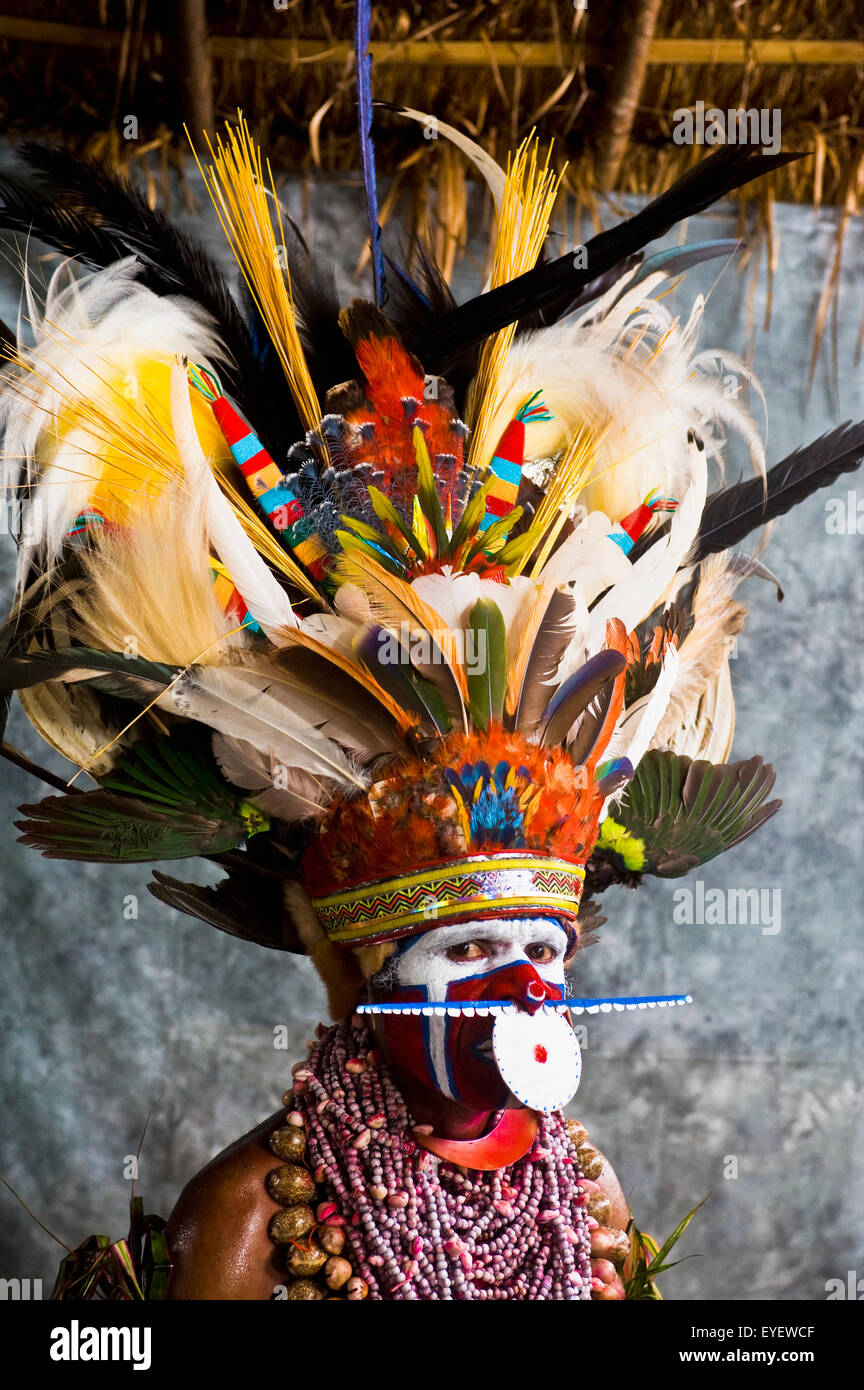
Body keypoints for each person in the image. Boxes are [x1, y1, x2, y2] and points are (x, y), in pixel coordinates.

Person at [1, 105, 859, 1302]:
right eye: (472, 946)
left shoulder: (588, 1193)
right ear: (368, 960)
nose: (524, 987)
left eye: (539, 948)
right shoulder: (252, 1219)